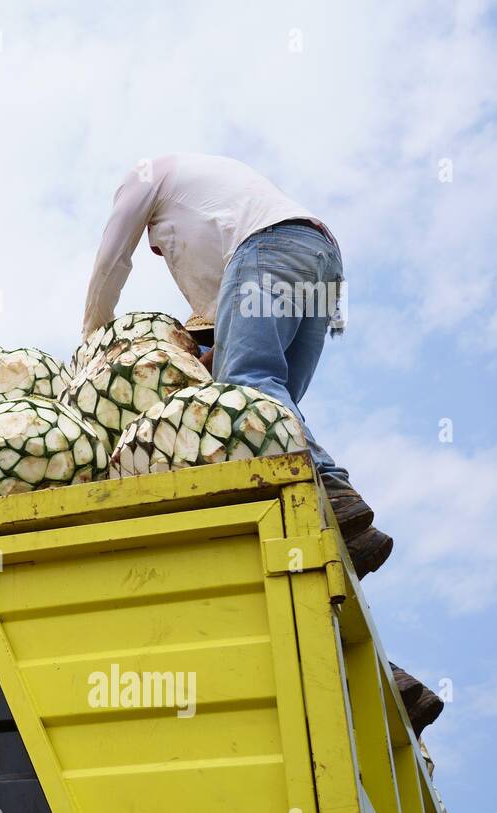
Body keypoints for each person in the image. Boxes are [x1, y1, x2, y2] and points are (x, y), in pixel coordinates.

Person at [82, 153, 443, 735]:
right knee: (266, 425)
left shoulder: (147, 176)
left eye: (157, 241)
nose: (157, 249)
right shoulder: (217, 211)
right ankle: (386, 673)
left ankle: (338, 492)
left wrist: (93, 334)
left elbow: (112, 256)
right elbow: (221, 334)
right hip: (320, 266)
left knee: (250, 390)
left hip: (272, 248)